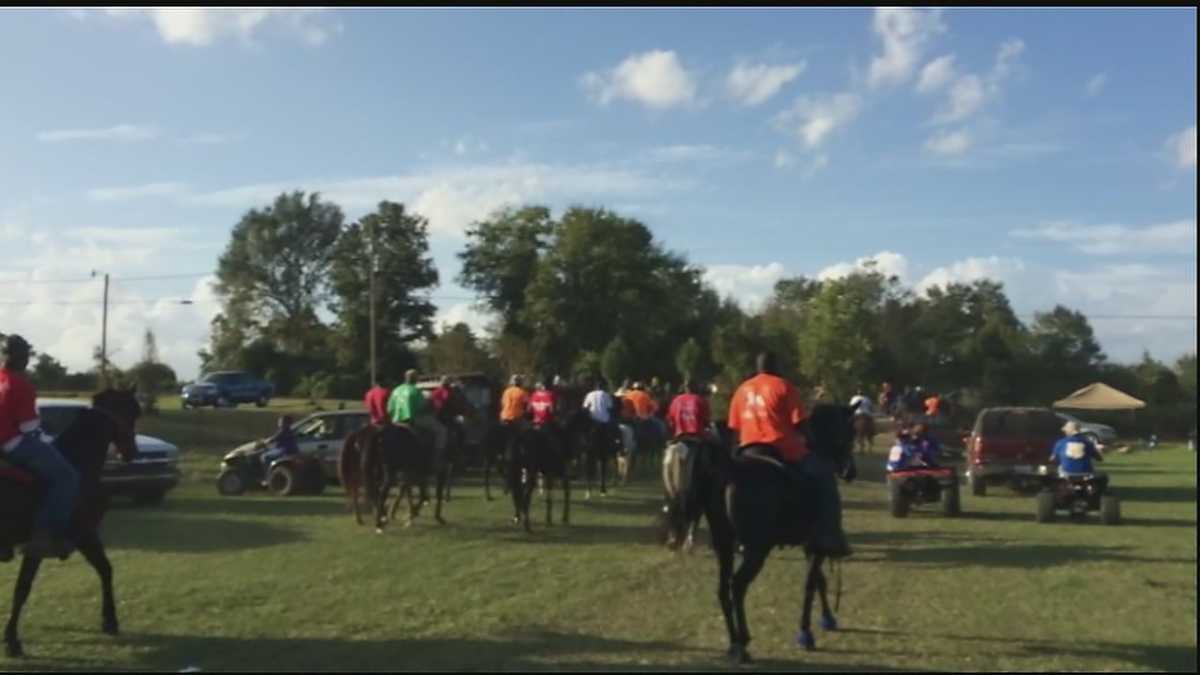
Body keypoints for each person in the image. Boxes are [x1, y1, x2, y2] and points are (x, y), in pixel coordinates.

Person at [727, 352, 850, 559]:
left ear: (758, 367)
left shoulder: (741, 389)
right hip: (781, 449)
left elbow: (734, 427)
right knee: (824, 476)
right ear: (776, 366)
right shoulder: (783, 386)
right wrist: (812, 441)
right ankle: (830, 536)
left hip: (747, 450)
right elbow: (799, 423)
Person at [0, 334, 79, 560]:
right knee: (66, 477)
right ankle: (45, 536)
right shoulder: (21, 385)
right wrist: (47, 439)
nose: (27, 359)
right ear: (19, 356)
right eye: (25, 355)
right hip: (13, 444)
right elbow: (28, 427)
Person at [388, 369, 447, 453]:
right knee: (441, 430)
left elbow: (389, 409)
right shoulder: (415, 391)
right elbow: (423, 407)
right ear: (415, 379)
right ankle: (437, 457)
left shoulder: (396, 390)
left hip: (396, 421)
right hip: (413, 420)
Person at [1051, 420, 1107, 491]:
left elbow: (1052, 459)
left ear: (1068, 431)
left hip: (1066, 473)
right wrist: (1099, 450)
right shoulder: (1088, 443)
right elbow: (1099, 458)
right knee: (1103, 476)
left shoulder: (1061, 442)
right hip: (1086, 473)